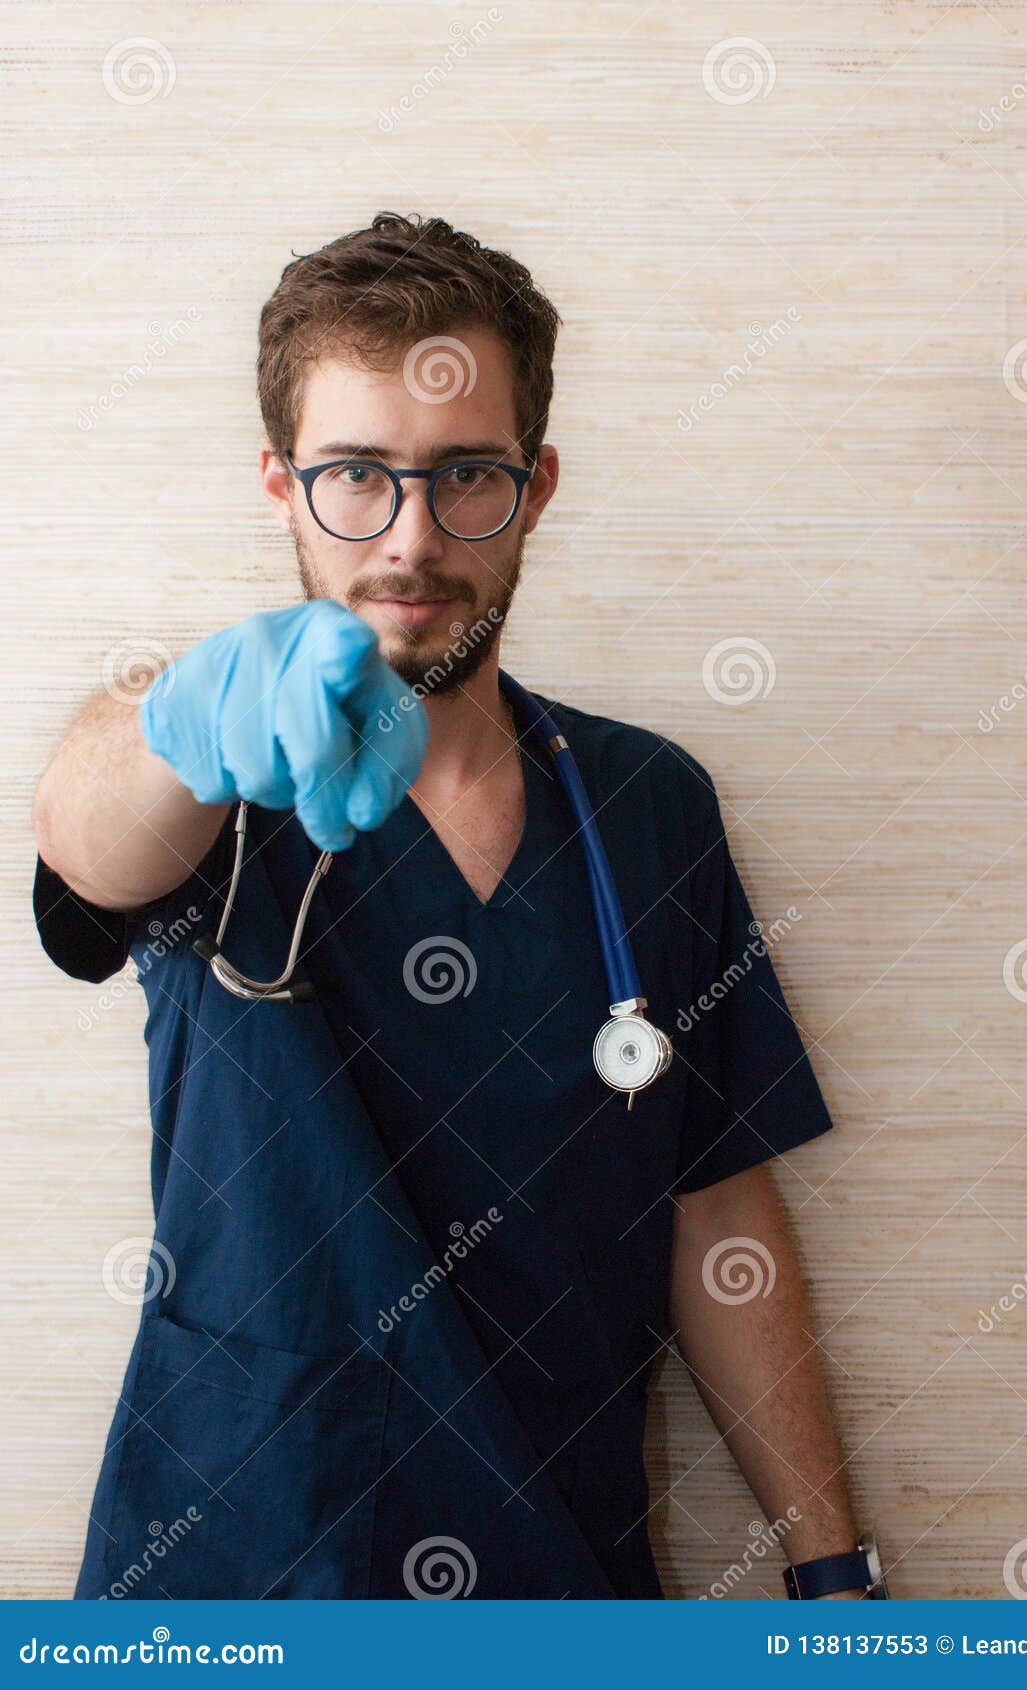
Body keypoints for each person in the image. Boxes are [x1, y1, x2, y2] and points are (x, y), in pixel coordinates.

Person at [31, 212, 875, 1601]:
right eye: (355, 475)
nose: (412, 539)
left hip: (561, 1580)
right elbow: (83, 831)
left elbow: (715, 1211)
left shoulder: (645, 805)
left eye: (465, 474)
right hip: (238, 1576)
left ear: (536, 486)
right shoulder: (218, 772)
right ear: (279, 483)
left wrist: (835, 1567)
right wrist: (177, 726)